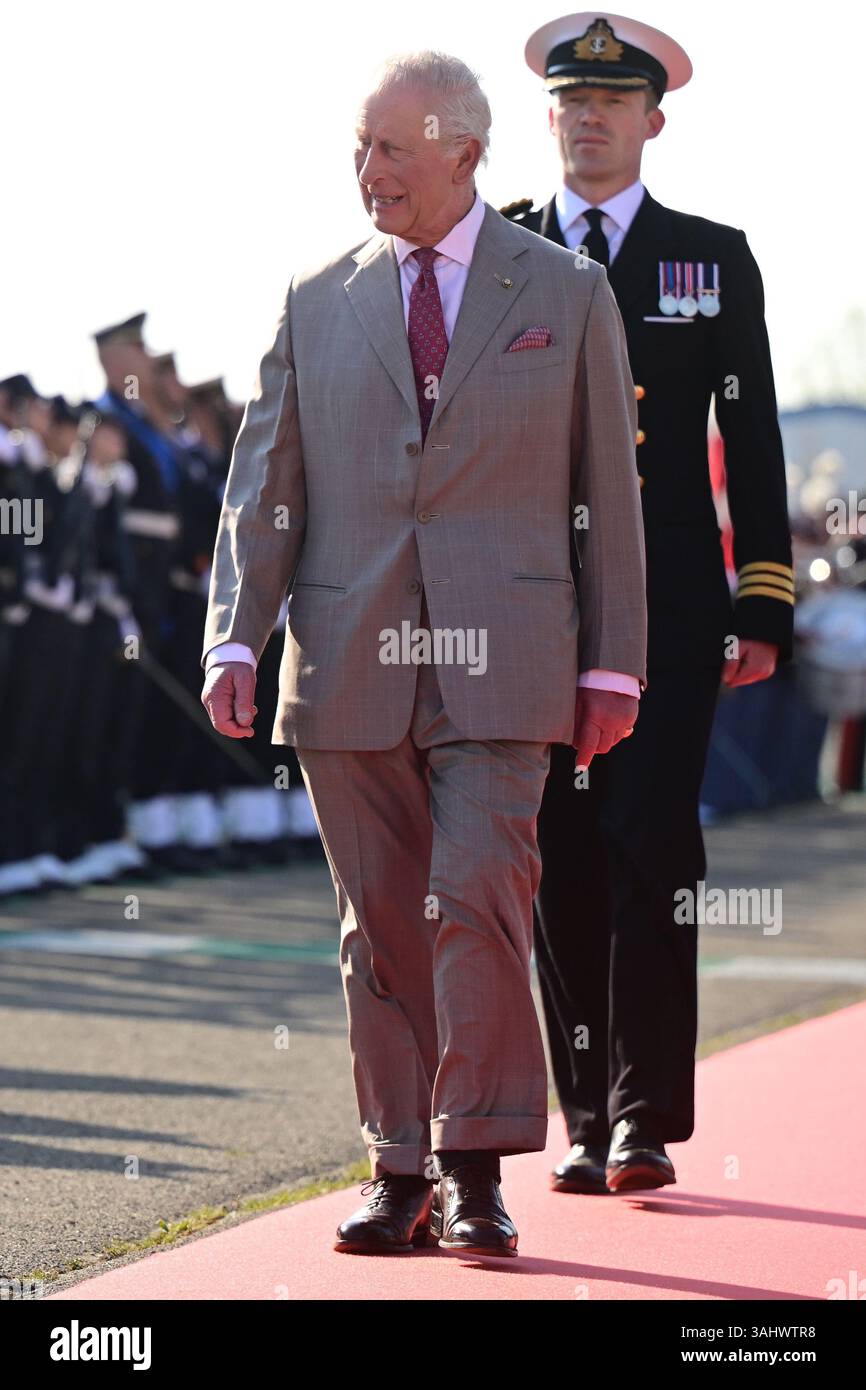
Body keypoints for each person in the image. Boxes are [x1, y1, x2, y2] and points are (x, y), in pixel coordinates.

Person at [201, 49, 647, 1257]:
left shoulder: (567, 292)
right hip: (348, 656)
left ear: (462, 148)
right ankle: (393, 1167)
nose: (368, 171)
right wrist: (235, 635)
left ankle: (474, 1163)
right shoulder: (312, 297)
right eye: (358, 147)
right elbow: (264, 486)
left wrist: (614, 664)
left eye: (392, 148)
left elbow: (607, 490)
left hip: (506, 659)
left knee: (480, 902)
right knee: (379, 923)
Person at [500, 12, 794, 1195]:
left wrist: (760, 600)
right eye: (569, 103)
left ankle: (643, 1117)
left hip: (671, 606)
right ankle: (581, 1115)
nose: (587, 119)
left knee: (649, 839)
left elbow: (753, 438)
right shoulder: (503, 248)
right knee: (558, 847)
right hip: (533, 602)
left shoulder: (705, 256)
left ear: (650, 120)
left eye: (610, 104)